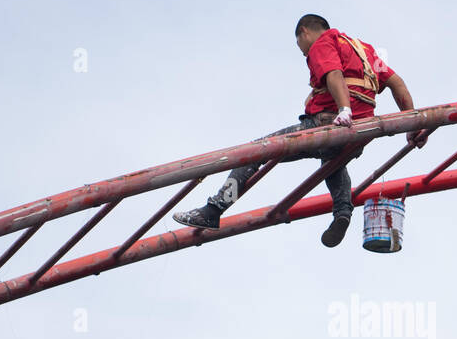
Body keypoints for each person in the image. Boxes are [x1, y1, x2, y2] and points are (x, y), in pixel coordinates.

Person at [173, 14, 424, 247]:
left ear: (304, 32)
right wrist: (412, 121)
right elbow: (396, 83)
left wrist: (344, 109)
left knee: (256, 151)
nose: (303, 51)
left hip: (330, 123)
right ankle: (343, 212)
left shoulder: (323, 42)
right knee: (333, 162)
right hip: (361, 133)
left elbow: (333, 73)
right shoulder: (364, 50)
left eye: (300, 45)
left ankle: (214, 210)